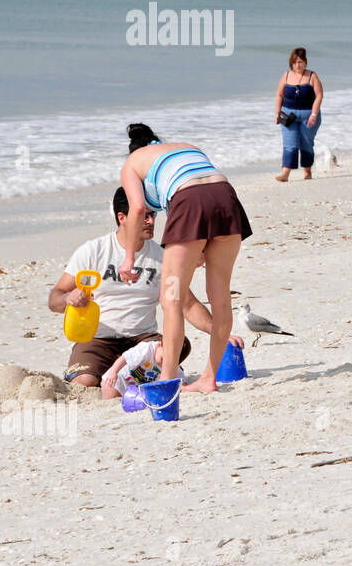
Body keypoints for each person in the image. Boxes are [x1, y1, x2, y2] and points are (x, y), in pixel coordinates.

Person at [49, 186, 242, 390]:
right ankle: (119, 373)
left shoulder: (162, 257)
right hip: (99, 339)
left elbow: (187, 304)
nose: (150, 221)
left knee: (179, 344)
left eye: (153, 215)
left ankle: (129, 374)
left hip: (143, 340)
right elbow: (55, 299)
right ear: (122, 217)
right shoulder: (93, 251)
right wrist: (68, 298)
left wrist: (219, 333)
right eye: (144, 216)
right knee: (85, 383)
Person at [118, 124, 251, 394]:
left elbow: (138, 208)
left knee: (171, 298)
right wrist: (199, 245)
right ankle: (209, 378)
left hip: (189, 202)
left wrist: (129, 257)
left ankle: (167, 381)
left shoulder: (132, 163)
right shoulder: (187, 147)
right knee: (221, 297)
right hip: (227, 198)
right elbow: (203, 190)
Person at [273, 47, 324, 182]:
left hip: (308, 115)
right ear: (291, 63)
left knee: (306, 143)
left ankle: (307, 171)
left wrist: (314, 114)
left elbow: (319, 96)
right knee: (290, 144)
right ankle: (285, 173)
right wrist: (277, 112)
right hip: (288, 115)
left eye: (300, 62)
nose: (298, 65)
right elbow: (279, 95)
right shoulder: (286, 75)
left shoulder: (312, 76)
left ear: (305, 62)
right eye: (295, 62)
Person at [100, 339, 182, 401]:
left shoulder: (174, 366)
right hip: (118, 379)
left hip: (136, 390)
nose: (165, 363)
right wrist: (113, 372)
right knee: (111, 394)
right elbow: (124, 358)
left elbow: (181, 383)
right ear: (159, 345)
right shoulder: (147, 349)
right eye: (163, 358)